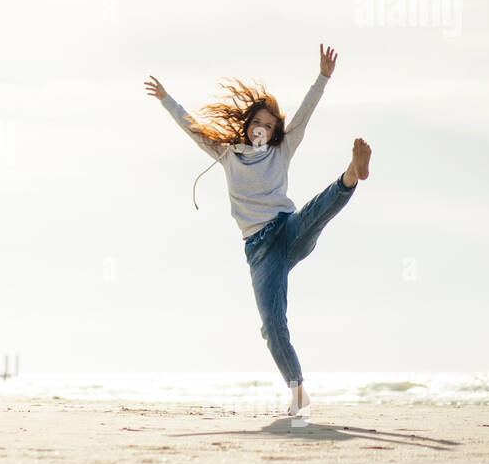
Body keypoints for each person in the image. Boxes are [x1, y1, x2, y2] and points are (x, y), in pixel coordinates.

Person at [144, 44, 371, 417]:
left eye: (268, 125)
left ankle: (351, 174)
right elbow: (193, 127)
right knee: (271, 326)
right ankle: (298, 392)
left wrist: (323, 78)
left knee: (317, 211)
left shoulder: (283, 151)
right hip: (260, 251)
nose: (262, 130)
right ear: (248, 127)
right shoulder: (227, 154)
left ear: (275, 131)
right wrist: (167, 99)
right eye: (257, 124)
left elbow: (303, 116)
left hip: (288, 229)